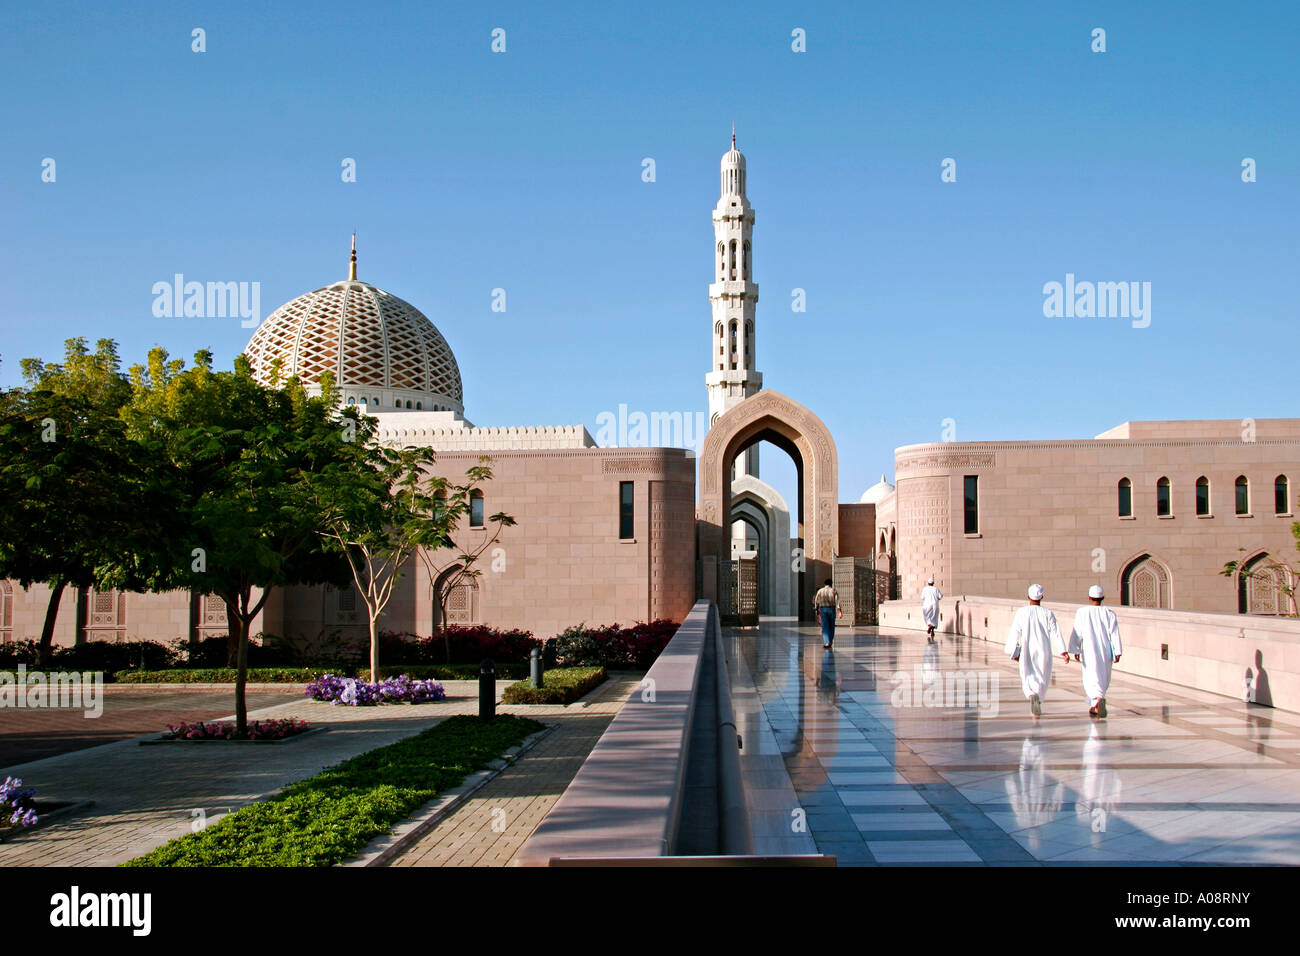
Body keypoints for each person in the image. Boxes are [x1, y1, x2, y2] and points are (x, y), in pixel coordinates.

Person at [1004, 584, 1068, 718]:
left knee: (1027, 675)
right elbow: (1056, 633)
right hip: (1044, 650)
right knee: (1043, 676)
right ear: (1042, 597)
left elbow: (1015, 631)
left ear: (1028, 596)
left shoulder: (1022, 612)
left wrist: (1011, 650)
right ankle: (1038, 697)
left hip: (1027, 650)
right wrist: (1063, 651)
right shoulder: (1048, 613)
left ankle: (1031, 694)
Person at [1069, 585, 1123, 718]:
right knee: (1103, 676)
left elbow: (1077, 632)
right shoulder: (1109, 613)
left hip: (1089, 649)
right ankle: (1097, 702)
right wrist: (1117, 651)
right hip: (1105, 650)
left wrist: (1075, 648)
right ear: (1103, 598)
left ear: (1089, 597)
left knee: (1090, 677)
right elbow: (1114, 633)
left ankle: (1096, 702)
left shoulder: (1082, 612)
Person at [814, 578, 842, 649]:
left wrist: (817, 610)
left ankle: (827, 642)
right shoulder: (833, 590)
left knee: (825, 626)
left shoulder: (820, 591)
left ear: (825, 584)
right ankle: (830, 641)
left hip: (823, 609)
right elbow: (837, 602)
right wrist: (839, 612)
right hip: (831, 609)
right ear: (831, 584)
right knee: (831, 626)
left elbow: (816, 600)